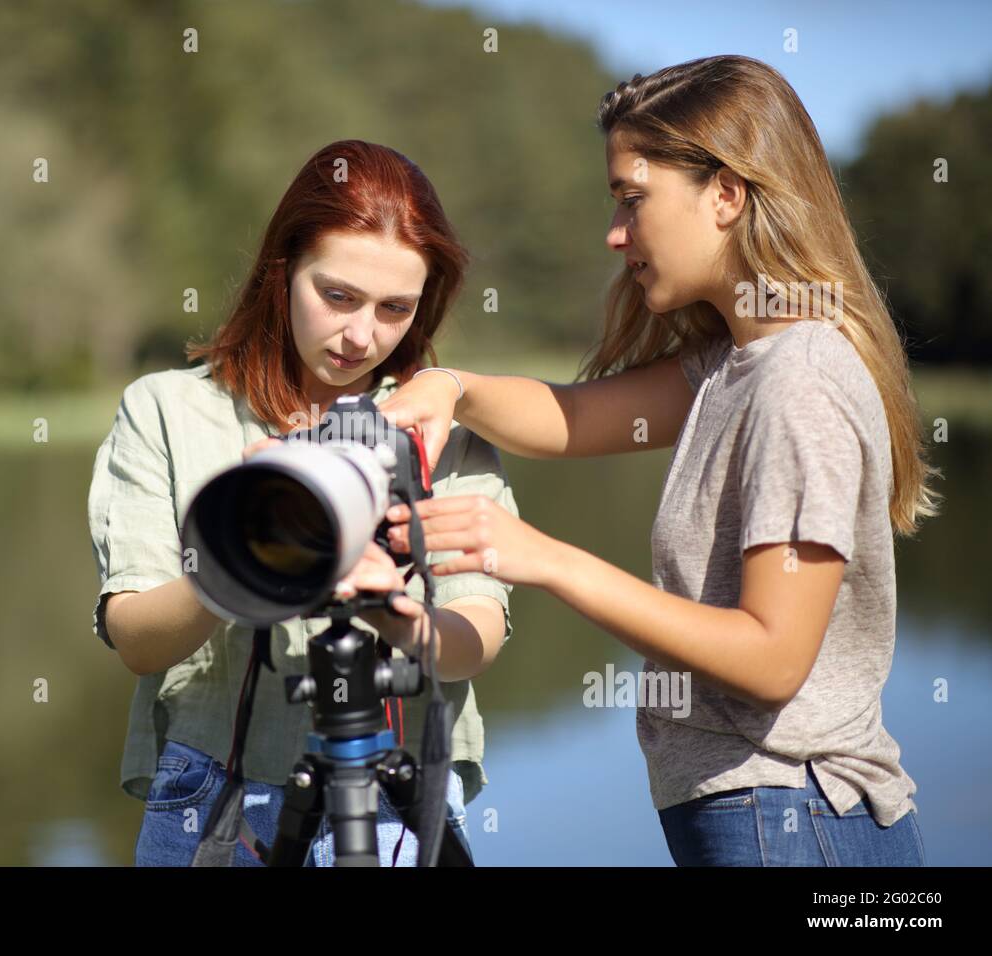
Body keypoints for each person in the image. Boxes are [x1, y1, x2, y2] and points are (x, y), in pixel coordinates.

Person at [378, 56, 941, 867]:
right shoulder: (734, 365)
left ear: (727, 194)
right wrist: (449, 387)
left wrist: (544, 559)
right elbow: (568, 418)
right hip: (766, 819)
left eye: (632, 202)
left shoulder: (799, 381)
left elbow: (772, 658)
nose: (615, 235)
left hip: (794, 818)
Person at [87, 139, 518, 866]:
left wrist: (391, 608)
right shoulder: (165, 408)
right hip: (210, 791)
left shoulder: (440, 427)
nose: (361, 335)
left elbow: (476, 639)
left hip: (394, 785)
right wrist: (247, 556)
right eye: (338, 296)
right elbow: (136, 638)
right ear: (281, 271)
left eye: (396, 309)